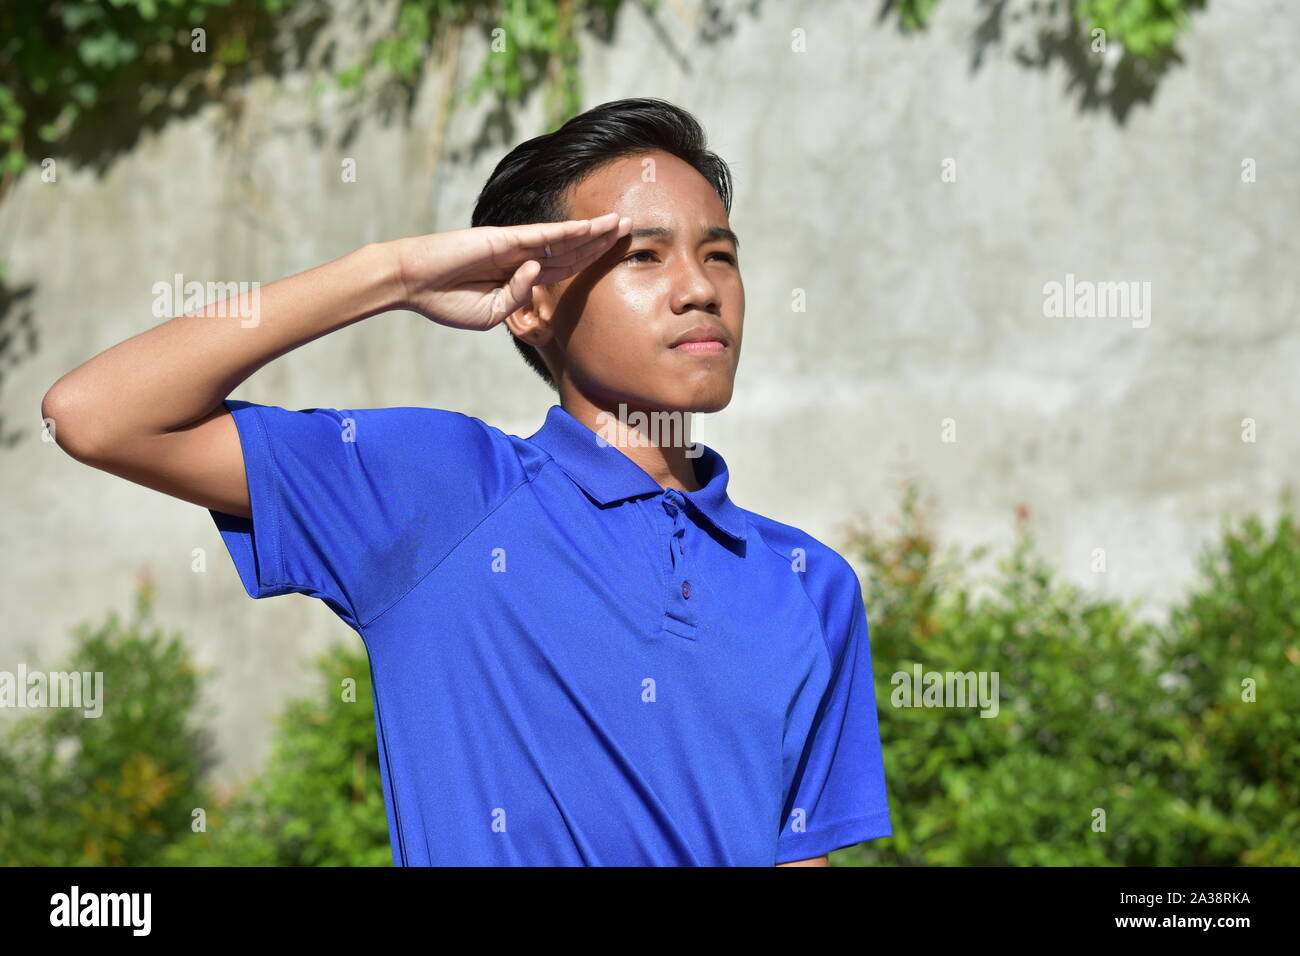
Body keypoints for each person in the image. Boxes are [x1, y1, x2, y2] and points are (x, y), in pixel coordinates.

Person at [41, 96, 892, 866]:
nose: (699, 289)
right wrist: (394, 275)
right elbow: (97, 414)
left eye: (720, 256)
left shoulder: (809, 584)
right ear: (530, 304)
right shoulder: (442, 492)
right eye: (643, 255)